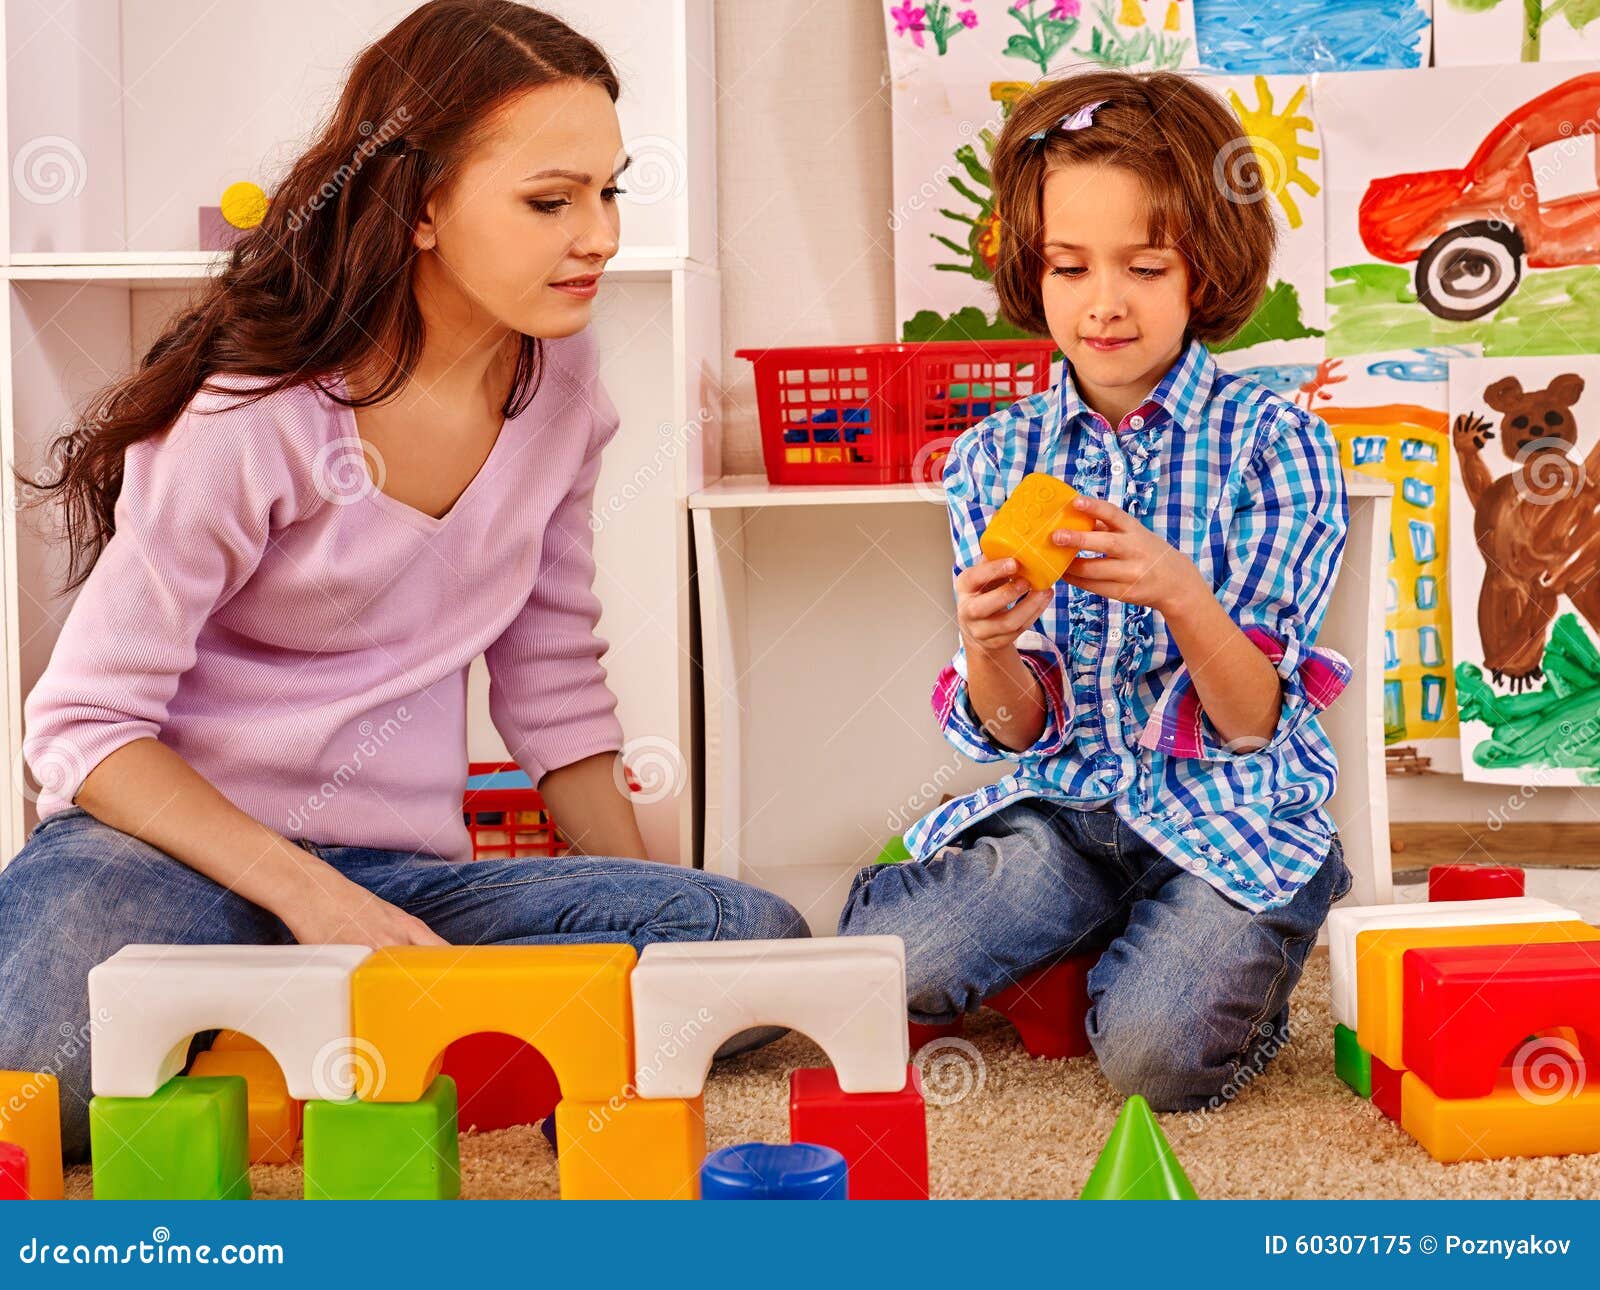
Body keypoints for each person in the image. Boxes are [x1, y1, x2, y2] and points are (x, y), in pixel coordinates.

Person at [0, 0, 804, 1163]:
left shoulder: (560, 390)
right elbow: (82, 728)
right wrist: (305, 896)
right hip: (169, 851)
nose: (598, 237)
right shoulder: (251, 415)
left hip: (397, 879)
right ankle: (341, 1019)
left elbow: (552, 680)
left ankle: (289, 1028)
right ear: (421, 207)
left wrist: (636, 891)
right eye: (550, 200)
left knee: (739, 946)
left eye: (608, 191)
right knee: (41, 1079)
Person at [839, 70, 1354, 1112]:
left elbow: (1253, 720)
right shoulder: (993, 457)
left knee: (1155, 1060)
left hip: (1230, 812)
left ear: (1203, 271)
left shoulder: (1277, 447)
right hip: (1067, 815)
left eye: (1144, 266)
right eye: (1068, 267)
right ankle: (1093, 922)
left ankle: (1237, 946)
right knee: (885, 961)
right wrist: (987, 648)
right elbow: (1013, 730)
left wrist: (1180, 594)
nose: (1102, 303)